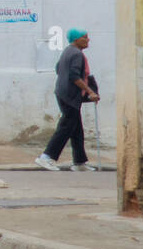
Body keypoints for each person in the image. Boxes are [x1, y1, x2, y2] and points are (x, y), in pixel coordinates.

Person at [36, 29, 100, 172]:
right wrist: (90, 92)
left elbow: (58, 68)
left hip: (63, 93)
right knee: (66, 127)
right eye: (85, 37)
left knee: (76, 129)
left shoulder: (68, 51)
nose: (88, 40)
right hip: (70, 96)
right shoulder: (77, 54)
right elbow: (74, 76)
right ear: (76, 39)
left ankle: (79, 162)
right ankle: (46, 157)